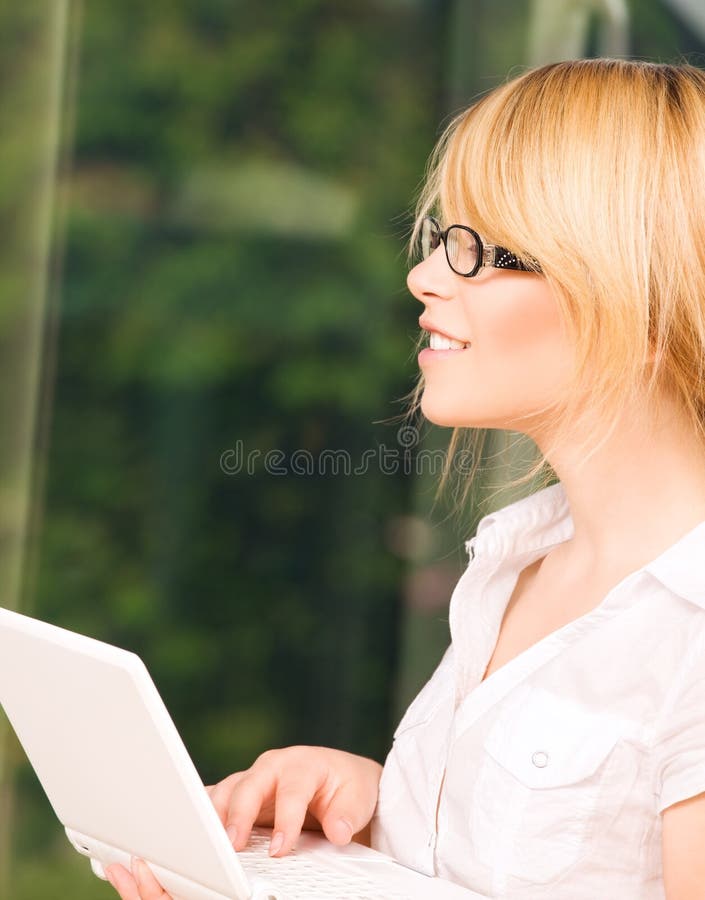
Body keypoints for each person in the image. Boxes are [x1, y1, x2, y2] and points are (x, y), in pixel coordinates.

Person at [107, 58, 705, 899]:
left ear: (641, 304)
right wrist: (374, 814)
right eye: (440, 237)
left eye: (480, 252)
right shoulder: (519, 562)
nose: (424, 278)